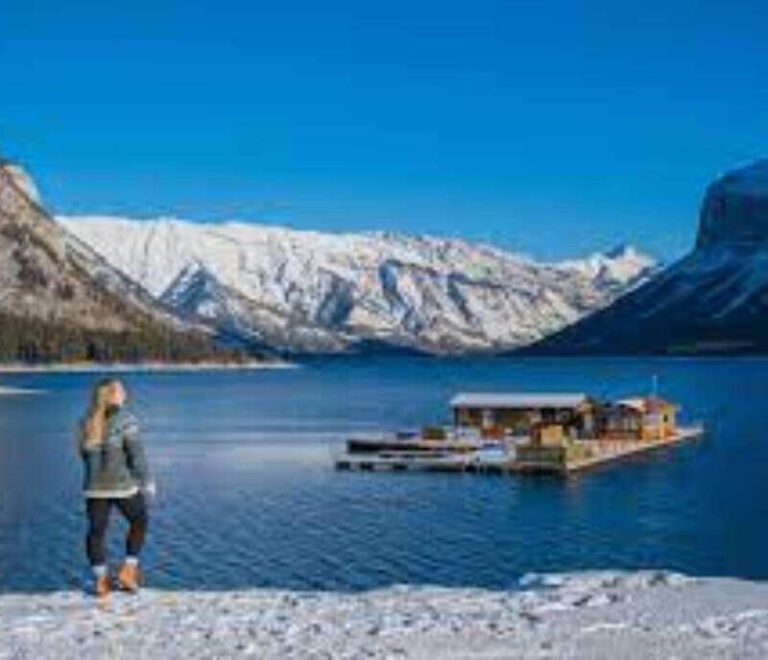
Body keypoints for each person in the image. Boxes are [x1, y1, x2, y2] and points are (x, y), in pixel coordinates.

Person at [78, 378, 155, 598]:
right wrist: (147, 481)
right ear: (114, 395)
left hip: (93, 487)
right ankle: (128, 571)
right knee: (140, 520)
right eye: (121, 389)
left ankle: (101, 581)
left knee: (96, 532)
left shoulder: (85, 421)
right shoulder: (126, 419)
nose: (125, 391)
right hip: (122, 485)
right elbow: (136, 455)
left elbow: (83, 455)